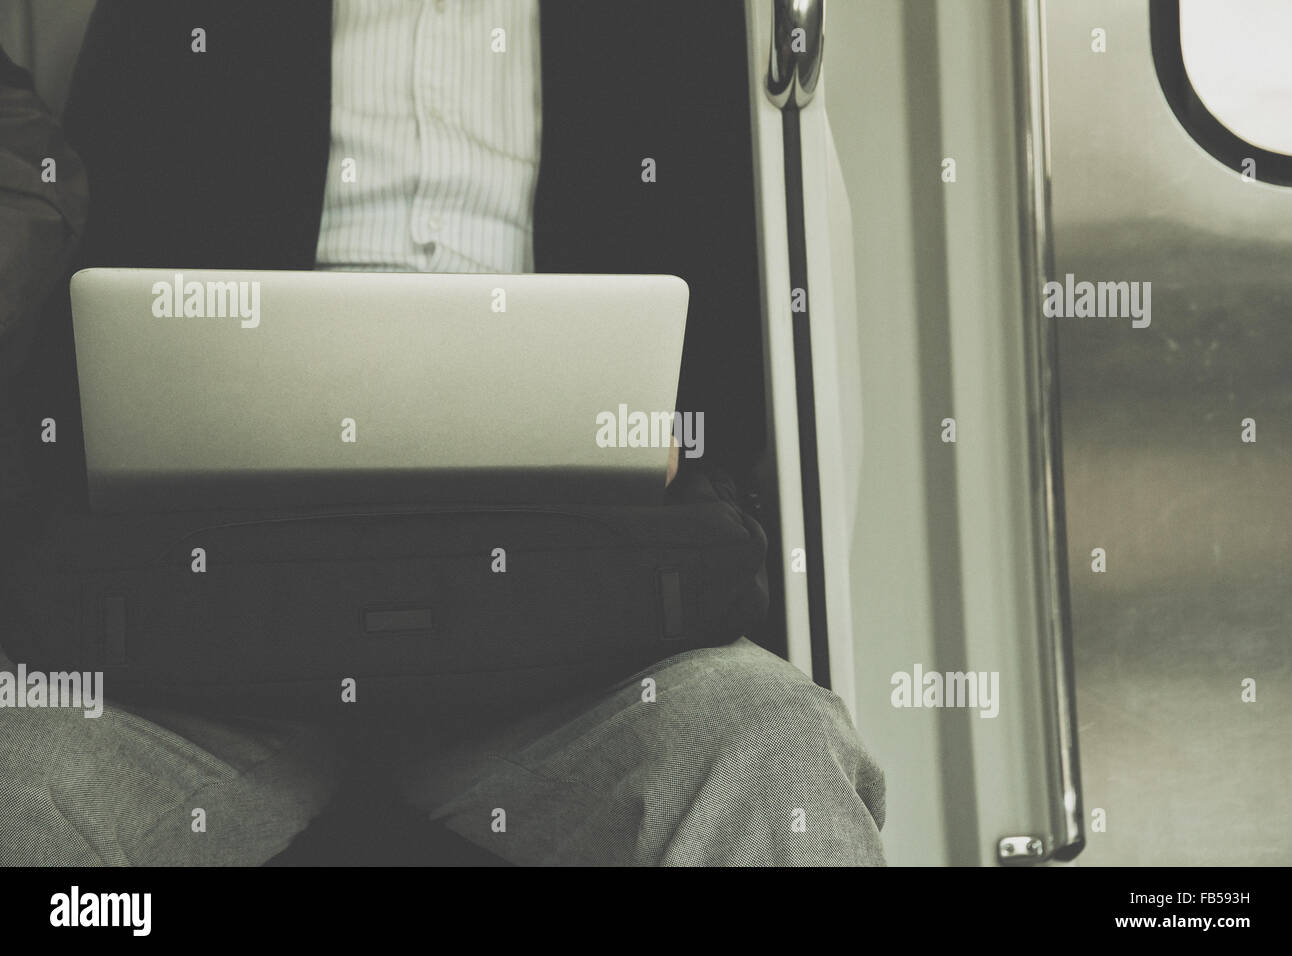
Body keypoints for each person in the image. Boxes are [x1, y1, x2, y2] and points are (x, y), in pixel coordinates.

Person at [0, 0, 886, 866]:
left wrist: (670, 436)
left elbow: (736, 357)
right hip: (225, 641)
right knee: (21, 783)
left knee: (776, 753)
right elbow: (89, 333)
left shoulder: (669, 25)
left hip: (568, 645)